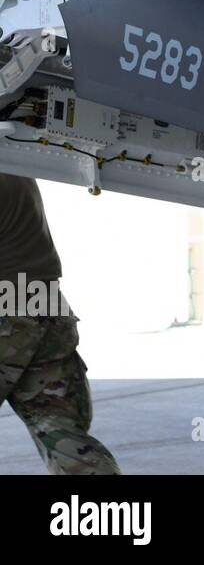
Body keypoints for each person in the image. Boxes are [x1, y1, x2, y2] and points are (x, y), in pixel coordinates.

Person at [0, 173, 120, 474]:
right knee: (61, 432)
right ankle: (107, 519)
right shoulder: (16, 159)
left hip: (7, 316)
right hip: (45, 307)